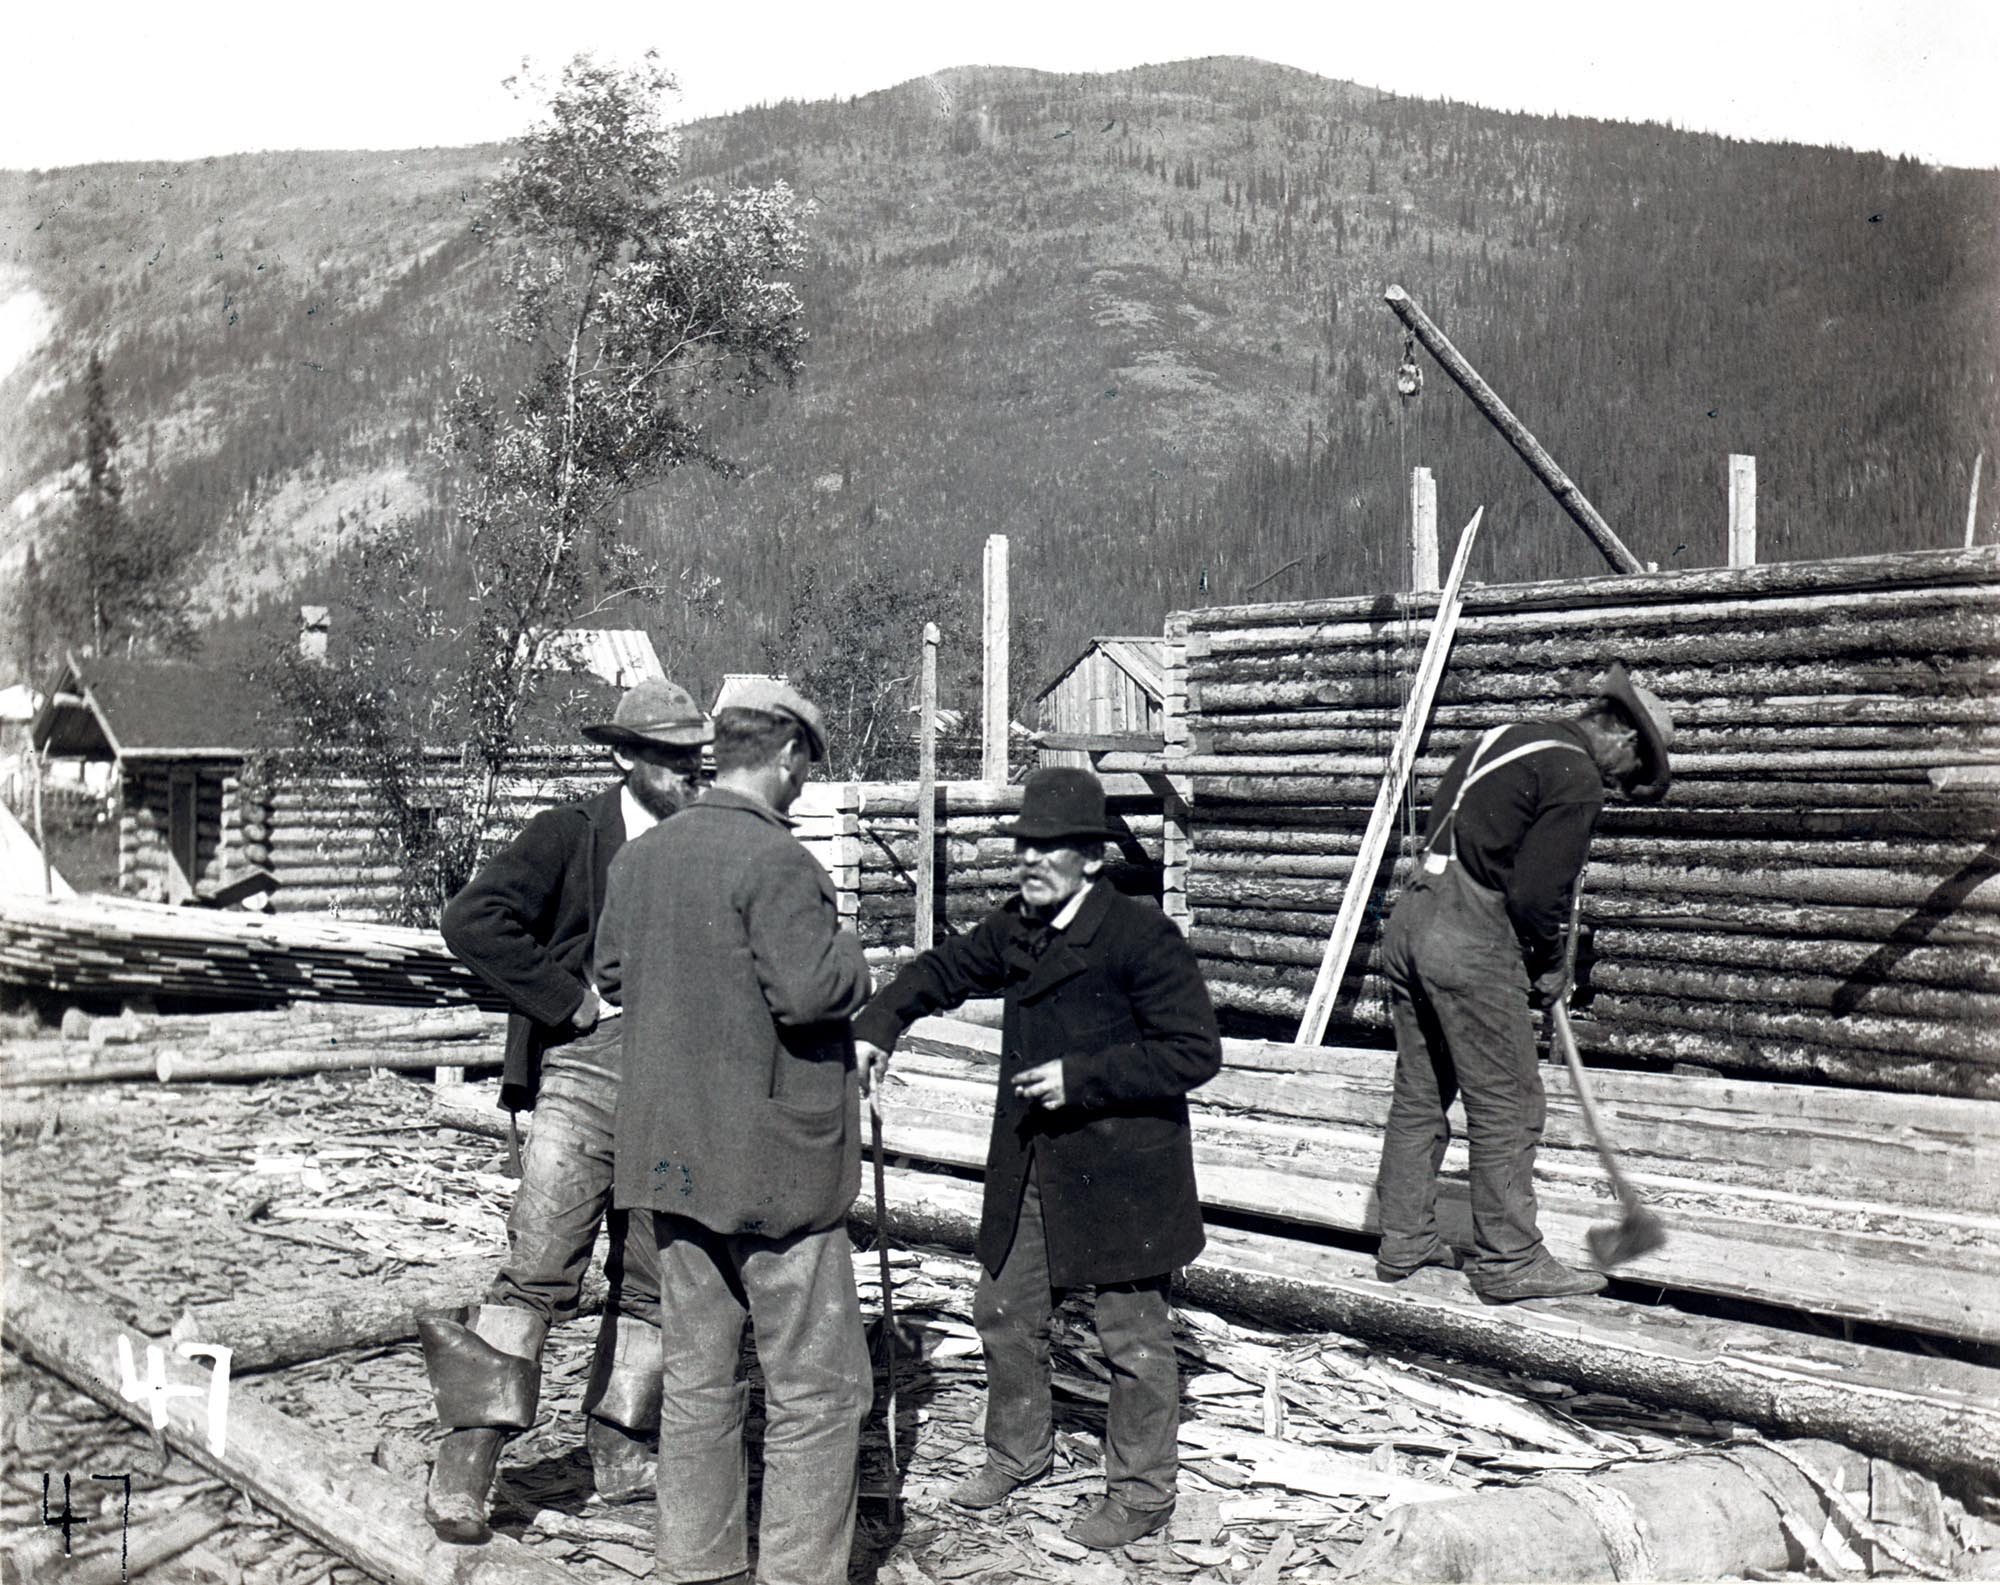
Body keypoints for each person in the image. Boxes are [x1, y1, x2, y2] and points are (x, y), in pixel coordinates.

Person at [853, 765, 1223, 1552]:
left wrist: (1083, 1077)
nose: (1029, 860)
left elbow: (1194, 1051)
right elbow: (947, 969)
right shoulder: (1021, 924)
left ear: (1090, 856)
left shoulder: (1139, 934)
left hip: (1124, 1167)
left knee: (1133, 1336)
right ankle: (1018, 1453)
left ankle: (1142, 1491)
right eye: (1024, 845)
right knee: (1003, 1309)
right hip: (1032, 1163)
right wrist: (880, 1022)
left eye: (1048, 848)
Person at [417, 677, 712, 1544]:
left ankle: (622, 1454)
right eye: (671, 759)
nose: (690, 773)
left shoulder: (707, 841)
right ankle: (464, 1469)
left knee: (656, 1273)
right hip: (585, 1070)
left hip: (679, 1078)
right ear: (623, 756)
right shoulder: (572, 833)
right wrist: (569, 1003)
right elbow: (472, 919)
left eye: (698, 758)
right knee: (540, 1266)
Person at [595, 680, 874, 1585]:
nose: (803, 783)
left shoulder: (644, 859)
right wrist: (858, 961)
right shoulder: (780, 863)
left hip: (673, 1164)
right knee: (819, 1391)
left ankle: (697, 1567)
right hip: (778, 1175)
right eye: (806, 766)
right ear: (788, 753)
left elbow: (611, 971)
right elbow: (808, 993)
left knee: (703, 1381)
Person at [1372, 661, 1674, 1303]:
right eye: (1631, 772)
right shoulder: (1576, 774)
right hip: (1467, 935)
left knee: (1420, 1095)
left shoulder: (1502, 736)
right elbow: (1538, 894)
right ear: (1622, 738)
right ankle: (1509, 1261)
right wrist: (1548, 962)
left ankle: (1404, 1241)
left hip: (1413, 914)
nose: (1621, 787)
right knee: (1509, 1102)